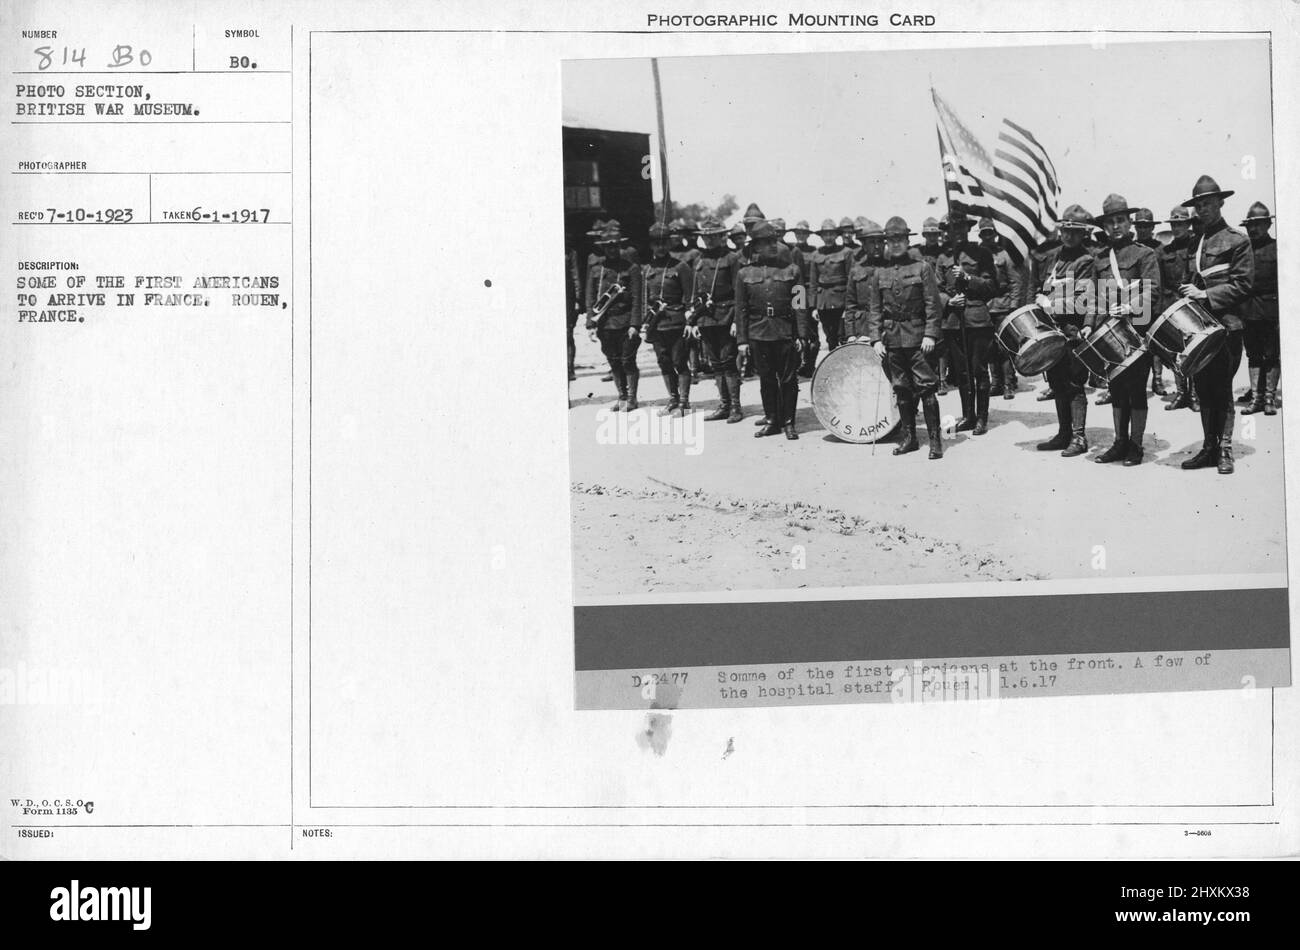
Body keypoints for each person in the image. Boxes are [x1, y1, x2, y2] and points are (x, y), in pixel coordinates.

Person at [1176, 175, 1254, 475]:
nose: (1203, 209)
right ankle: (1209, 448)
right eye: (1198, 205)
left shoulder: (1237, 240)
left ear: (1221, 203)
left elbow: (1243, 284)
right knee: (1204, 389)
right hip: (1198, 329)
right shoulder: (1196, 241)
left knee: (1221, 389)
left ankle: (1224, 450)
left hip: (1226, 327)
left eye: (1208, 203)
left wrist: (1206, 293)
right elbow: (1188, 281)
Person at [1088, 194, 1161, 466]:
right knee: (1117, 388)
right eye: (1110, 223)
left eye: (1120, 220)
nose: (1115, 227)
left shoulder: (1145, 254)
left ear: (1130, 222)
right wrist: (1088, 327)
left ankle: (1136, 445)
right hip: (1109, 334)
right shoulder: (1100, 259)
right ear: (1104, 227)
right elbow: (1094, 299)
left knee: (1136, 389)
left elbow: (1153, 291)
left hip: (1136, 331)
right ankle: (1119, 442)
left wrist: (1130, 308)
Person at [867, 217, 945, 459]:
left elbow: (933, 305)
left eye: (900, 239)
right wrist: (876, 339)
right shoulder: (880, 273)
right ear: (887, 243)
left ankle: (935, 441)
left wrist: (930, 334)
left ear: (907, 241)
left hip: (918, 339)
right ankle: (909, 438)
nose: (896, 244)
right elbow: (875, 309)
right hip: (892, 341)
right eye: (892, 240)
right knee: (901, 389)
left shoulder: (922, 268)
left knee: (927, 388)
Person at [1028, 204, 1095, 457]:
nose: (1069, 236)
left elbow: (1082, 300)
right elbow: (1042, 287)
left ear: (1083, 235)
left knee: (1074, 384)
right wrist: (1038, 297)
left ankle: (1079, 437)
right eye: (1066, 231)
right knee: (1057, 382)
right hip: (1051, 331)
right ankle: (1064, 433)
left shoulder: (1085, 260)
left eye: (1075, 232)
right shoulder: (1054, 257)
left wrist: (1050, 304)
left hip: (1072, 331)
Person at [735, 221, 812, 439]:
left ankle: (788, 422)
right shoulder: (744, 274)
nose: (771, 246)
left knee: (789, 379)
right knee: (766, 379)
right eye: (765, 242)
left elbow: (800, 305)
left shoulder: (792, 271)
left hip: (785, 332)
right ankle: (772, 420)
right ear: (755, 247)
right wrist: (742, 340)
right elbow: (740, 309)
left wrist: (802, 335)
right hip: (758, 333)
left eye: (774, 241)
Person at [936, 203, 1000, 434]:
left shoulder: (981, 253)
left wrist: (967, 277)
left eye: (961, 227)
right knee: (962, 372)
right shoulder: (942, 257)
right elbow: (936, 290)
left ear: (967, 228)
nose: (957, 232)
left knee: (979, 369)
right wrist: (948, 302)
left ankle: (982, 417)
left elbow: (992, 286)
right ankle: (968, 416)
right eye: (952, 228)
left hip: (976, 320)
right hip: (953, 322)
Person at [687, 215, 745, 423]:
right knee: (715, 363)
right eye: (707, 237)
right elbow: (696, 292)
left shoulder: (732, 258)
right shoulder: (699, 260)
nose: (710, 240)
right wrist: (692, 320)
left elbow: (739, 293)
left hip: (727, 315)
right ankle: (724, 405)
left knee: (729, 362)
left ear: (723, 236)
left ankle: (736, 408)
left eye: (714, 236)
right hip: (706, 318)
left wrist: (737, 321)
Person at [584, 224, 644, 411]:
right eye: (608, 247)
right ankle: (622, 397)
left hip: (625, 322)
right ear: (603, 248)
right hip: (604, 323)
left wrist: (635, 324)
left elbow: (637, 298)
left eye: (615, 246)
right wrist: (590, 323)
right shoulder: (596, 269)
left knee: (628, 360)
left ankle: (632, 398)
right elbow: (590, 297)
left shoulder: (631, 268)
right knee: (613, 360)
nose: (611, 250)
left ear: (619, 247)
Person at [642, 223, 696, 416]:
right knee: (664, 362)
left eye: (664, 243)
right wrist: (644, 322)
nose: (661, 247)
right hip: (656, 324)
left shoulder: (680, 267)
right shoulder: (647, 269)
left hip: (676, 321)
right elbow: (643, 298)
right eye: (656, 244)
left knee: (679, 361)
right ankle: (673, 399)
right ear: (651, 246)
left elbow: (690, 297)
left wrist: (690, 321)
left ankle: (684, 402)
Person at [1159, 206, 1200, 411]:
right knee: (1176, 351)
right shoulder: (1163, 251)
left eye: (1181, 224)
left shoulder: (1197, 247)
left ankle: (1195, 394)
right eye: (1174, 224)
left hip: (1196, 307)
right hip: (1172, 307)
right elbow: (1158, 282)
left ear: (1188, 224)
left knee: (1195, 350)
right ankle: (1181, 392)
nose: (1177, 228)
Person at [1240, 201, 1278, 416]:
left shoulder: (1277, 248)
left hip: (1271, 309)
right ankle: (1256, 399)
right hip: (1249, 309)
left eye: (1258, 224)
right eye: (1249, 225)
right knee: (1253, 354)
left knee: (1271, 355)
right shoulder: (1243, 249)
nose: (1253, 229)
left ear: (1267, 225)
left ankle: (1270, 398)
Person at [979, 218, 1023, 399]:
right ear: (980, 234)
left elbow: (1015, 282)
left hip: (1003, 306)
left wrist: (1013, 306)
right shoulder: (977, 254)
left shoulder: (1004, 254)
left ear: (995, 234)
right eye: (984, 233)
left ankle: (1008, 383)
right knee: (989, 348)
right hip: (984, 307)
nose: (988, 236)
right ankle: (995, 382)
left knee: (1005, 347)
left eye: (991, 232)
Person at [807, 218, 853, 374]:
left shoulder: (846, 253)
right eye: (825, 234)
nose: (828, 237)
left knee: (843, 336)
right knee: (830, 337)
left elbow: (850, 280)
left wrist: (849, 305)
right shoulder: (816, 255)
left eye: (831, 234)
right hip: (823, 302)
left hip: (841, 301)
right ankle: (836, 369)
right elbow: (813, 283)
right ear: (821, 236)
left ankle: (847, 368)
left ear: (836, 235)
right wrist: (813, 307)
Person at [1133, 208, 1168, 396]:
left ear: (1152, 228)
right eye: (1139, 226)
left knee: (1156, 344)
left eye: (1146, 226)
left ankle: (1157, 380)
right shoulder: (1132, 249)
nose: (1143, 230)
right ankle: (1139, 381)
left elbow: (1166, 278)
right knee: (1138, 342)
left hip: (1157, 304)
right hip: (1137, 304)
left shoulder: (1160, 249)